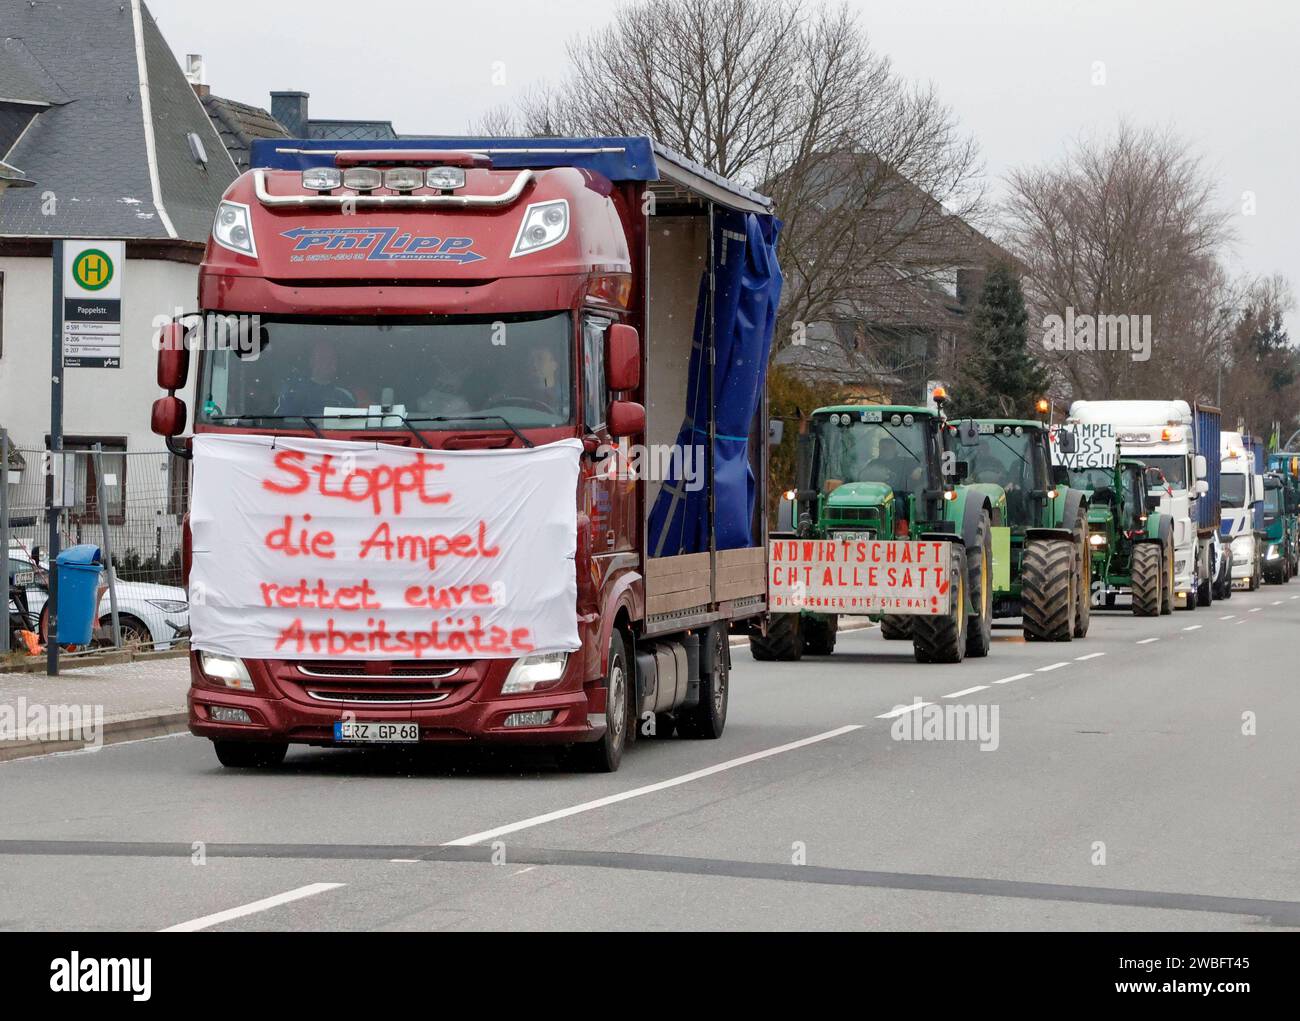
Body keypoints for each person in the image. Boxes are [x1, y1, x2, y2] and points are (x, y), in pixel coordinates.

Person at [274, 340, 357, 418]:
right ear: (311, 361)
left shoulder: (345, 395)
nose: (327, 362)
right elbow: (279, 423)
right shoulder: (292, 390)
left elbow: (354, 425)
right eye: (322, 358)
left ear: (336, 364)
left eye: (331, 358)